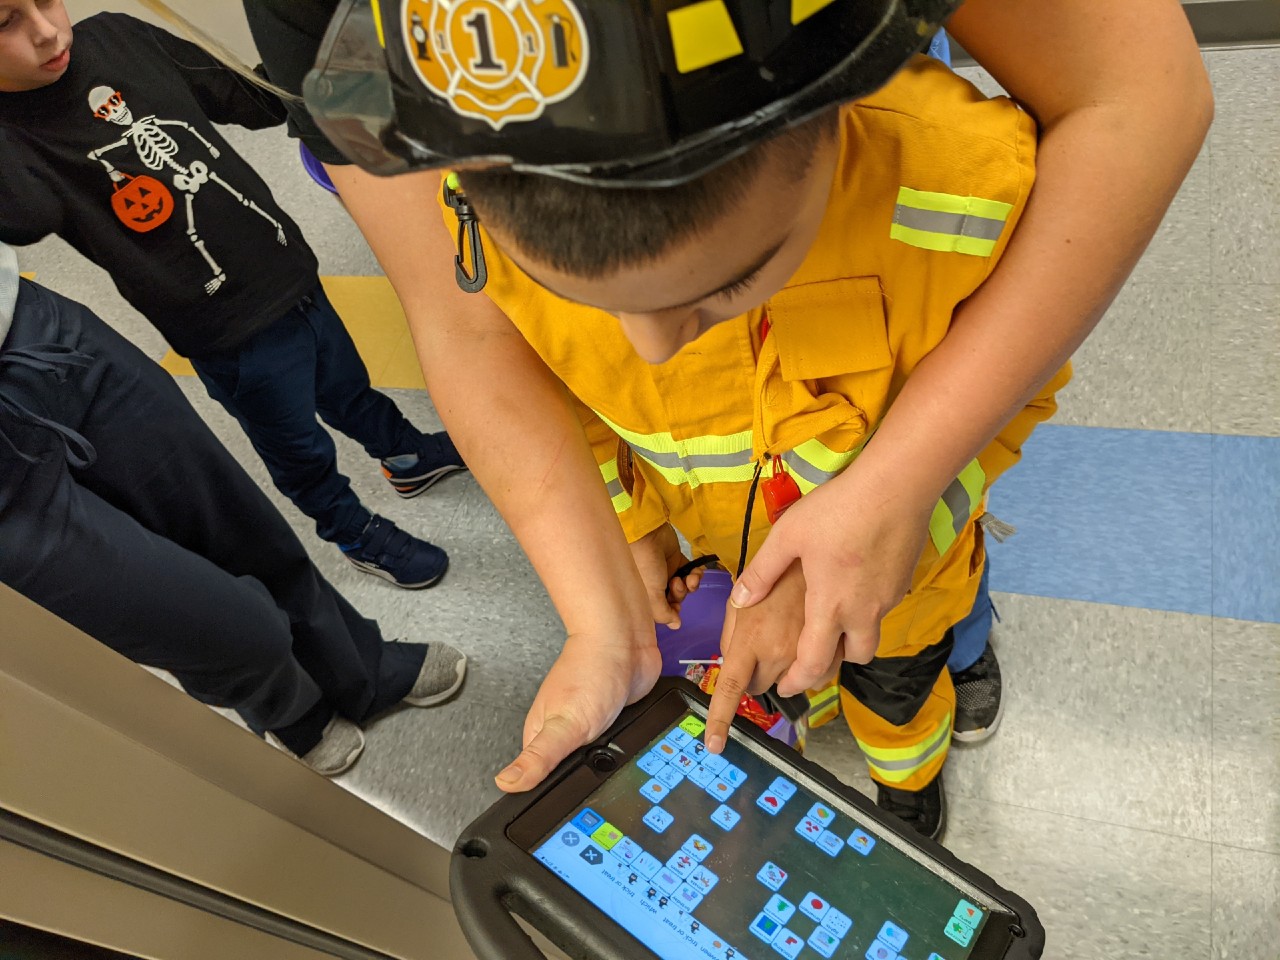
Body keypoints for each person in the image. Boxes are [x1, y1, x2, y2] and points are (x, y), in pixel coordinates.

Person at [240, 0, 1210, 828]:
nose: (652, 344)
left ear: (839, 114)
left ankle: (923, 752)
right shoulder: (414, 144)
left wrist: (902, 493)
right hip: (725, 544)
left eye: (729, 282)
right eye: (577, 295)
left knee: (907, 667)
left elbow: (1130, 113)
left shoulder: (955, 185)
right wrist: (605, 598)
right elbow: (474, 335)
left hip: (917, 574)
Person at [0, 1, 467, 590]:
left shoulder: (117, 35)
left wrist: (315, 48)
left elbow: (246, 96)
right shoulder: (10, 140)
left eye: (44, 0)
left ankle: (404, 455)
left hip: (285, 265)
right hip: (226, 330)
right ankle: (351, 529)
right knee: (297, 445)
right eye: (5, 23)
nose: (46, 32)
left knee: (346, 381)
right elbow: (23, 217)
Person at [0, 241, 467, 775]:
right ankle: (291, 711)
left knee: (239, 528)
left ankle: (360, 665)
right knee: (222, 628)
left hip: (32, 332)